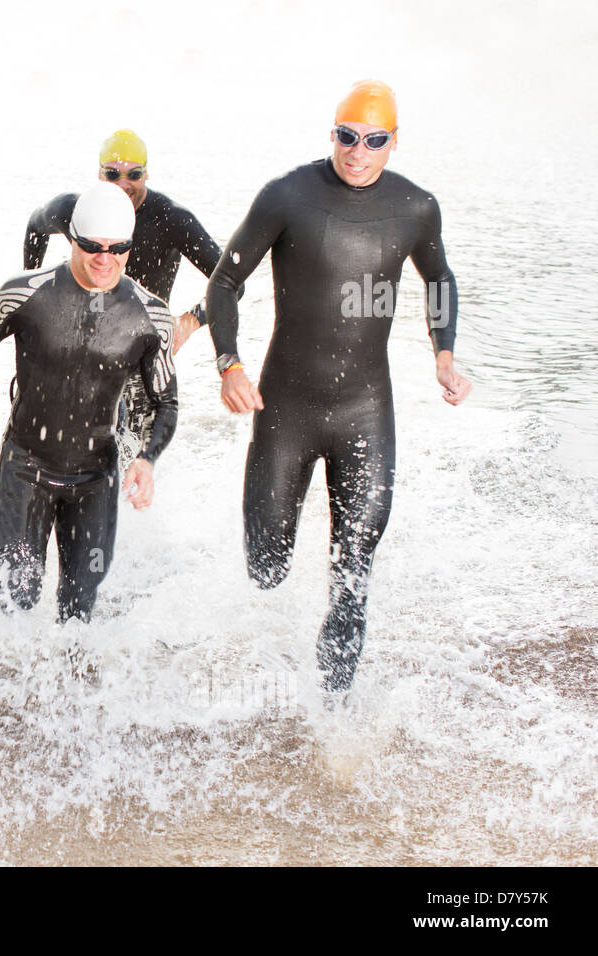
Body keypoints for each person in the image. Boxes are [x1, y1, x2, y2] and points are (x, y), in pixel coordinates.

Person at [205, 80, 473, 692]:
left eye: (374, 140)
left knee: (353, 574)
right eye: (347, 136)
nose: (358, 151)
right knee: (267, 568)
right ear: (332, 134)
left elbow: (440, 277)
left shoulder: (416, 208)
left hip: (364, 413)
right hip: (286, 410)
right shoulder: (287, 197)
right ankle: (263, 664)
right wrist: (229, 364)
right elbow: (223, 283)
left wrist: (444, 355)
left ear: (393, 143)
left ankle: (331, 717)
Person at [0, 182, 178, 622]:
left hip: (95, 478)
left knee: (79, 611)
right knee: (14, 599)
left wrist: (146, 459)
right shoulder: (27, 293)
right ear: (71, 238)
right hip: (26, 464)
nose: (105, 259)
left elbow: (167, 401)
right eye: (91, 246)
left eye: (117, 248)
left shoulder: (151, 315)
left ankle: (72, 690)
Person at [23, 128, 234, 456]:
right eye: (112, 174)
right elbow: (35, 228)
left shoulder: (171, 219)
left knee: (133, 455)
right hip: (84, 345)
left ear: (146, 173)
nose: (123, 183)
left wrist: (190, 321)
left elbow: (231, 282)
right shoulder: (76, 210)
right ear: (99, 174)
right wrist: (33, 291)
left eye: (133, 174)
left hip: (142, 349)